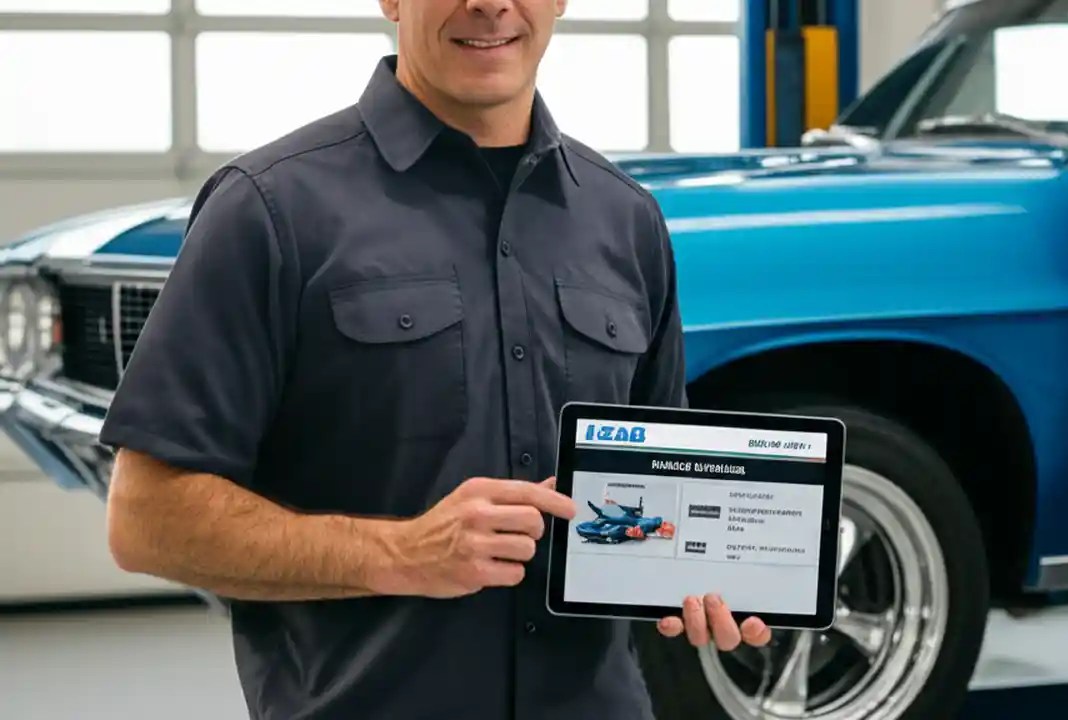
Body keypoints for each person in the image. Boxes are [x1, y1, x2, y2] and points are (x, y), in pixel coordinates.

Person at [98, 1, 772, 719]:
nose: (490, 4)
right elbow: (147, 518)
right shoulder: (270, 209)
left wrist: (706, 575)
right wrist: (400, 553)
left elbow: (659, 494)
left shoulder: (625, 218)